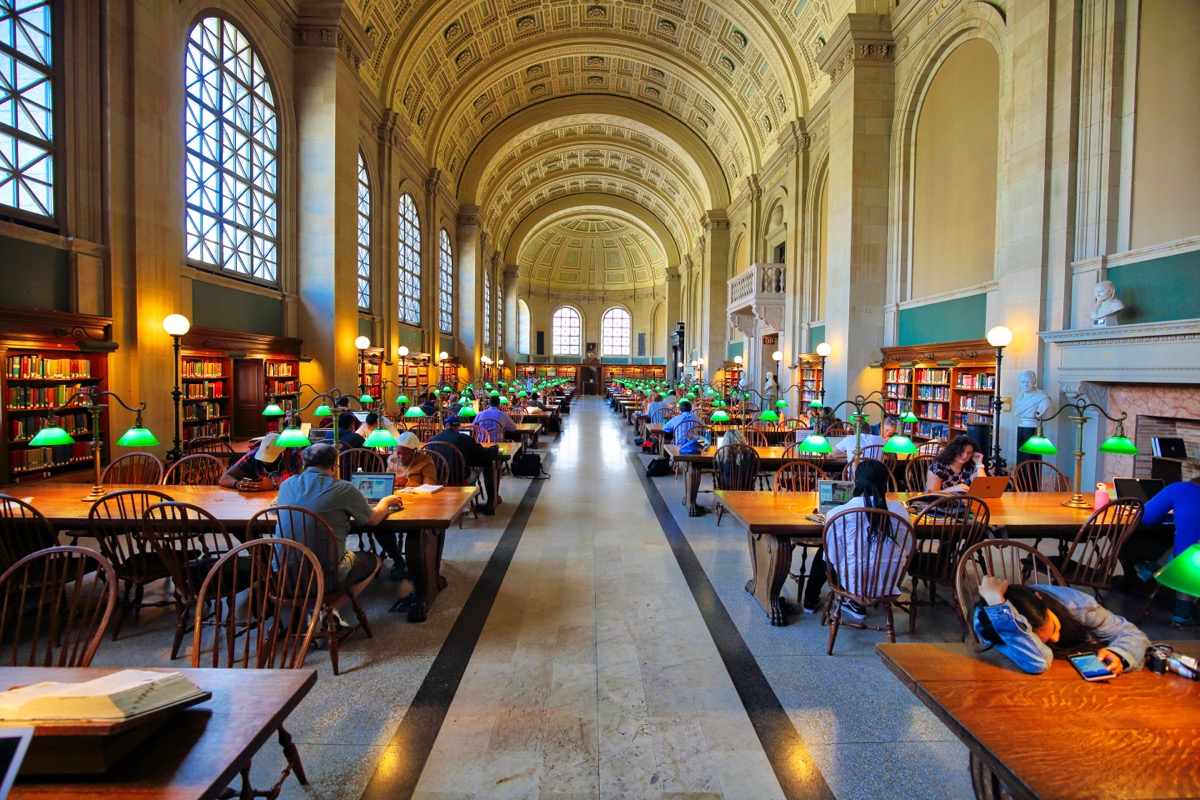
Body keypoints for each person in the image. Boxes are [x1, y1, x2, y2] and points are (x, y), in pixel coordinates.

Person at [275, 443, 394, 630]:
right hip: (325, 575)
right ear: (333, 465)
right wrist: (386, 501)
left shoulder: (287, 485)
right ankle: (329, 610)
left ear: (305, 465)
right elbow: (373, 520)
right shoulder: (343, 488)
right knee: (376, 560)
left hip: (284, 574)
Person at [801, 459, 913, 619]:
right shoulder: (900, 510)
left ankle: (810, 601)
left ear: (856, 481)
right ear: (885, 482)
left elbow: (832, 557)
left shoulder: (838, 513)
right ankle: (855, 604)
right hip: (888, 582)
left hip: (850, 582)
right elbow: (907, 548)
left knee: (823, 552)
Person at [973, 577, 1150, 675]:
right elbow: (1037, 662)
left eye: (1055, 628)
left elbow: (1130, 633)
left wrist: (1119, 654)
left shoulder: (1078, 605)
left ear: (1040, 598)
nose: (1056, 638)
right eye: (1044, 640)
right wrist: (997, 603)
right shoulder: (987, 623)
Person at [1134, 477, 1200, 628]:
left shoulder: (1180, 489)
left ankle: (1181, 615)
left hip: (1192, 565)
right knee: (1187, 546)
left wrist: (1172, 514)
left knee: (1185, 552)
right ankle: (1149, 569)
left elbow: (1146, 517)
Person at [428, 416, 499, 515]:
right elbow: (483, 454)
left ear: (444, 427)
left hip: (437, 480)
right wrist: (494, 449)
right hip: (458, 480)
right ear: (457, 427)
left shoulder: (431, 440)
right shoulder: (463, 438)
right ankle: (489, 503)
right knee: (486, 464)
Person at [218, 431, 303, 491]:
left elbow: (306, 485)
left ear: (283, 452)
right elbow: (224, 478)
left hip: (288, 500)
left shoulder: (296, 455)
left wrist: (274, 485)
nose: (265, 461)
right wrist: (237, 484)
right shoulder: (253, 455)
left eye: (270, 457)